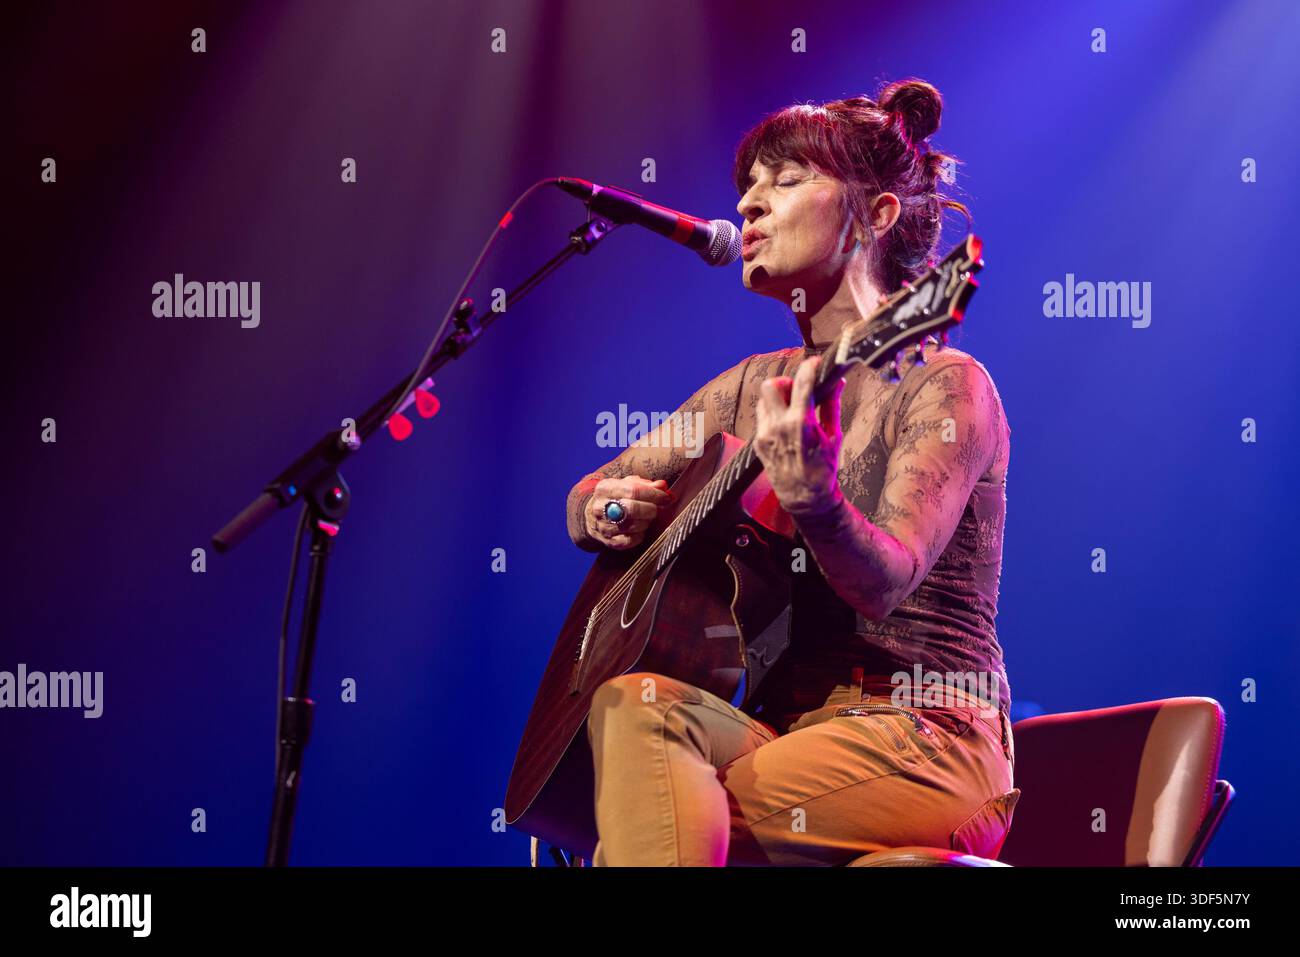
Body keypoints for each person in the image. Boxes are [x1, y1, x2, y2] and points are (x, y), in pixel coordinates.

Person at [564, 78, 1017, 866]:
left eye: (786, 180)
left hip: (928, 736)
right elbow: (586, 492)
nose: (747, 205)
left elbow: (886, 581)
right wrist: (603, 511)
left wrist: (816, 497)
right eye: (747, 186)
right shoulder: (748, 386)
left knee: (643, 831)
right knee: (636, 706)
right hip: (788, 735)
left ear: (875, 215)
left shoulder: (949, 385)